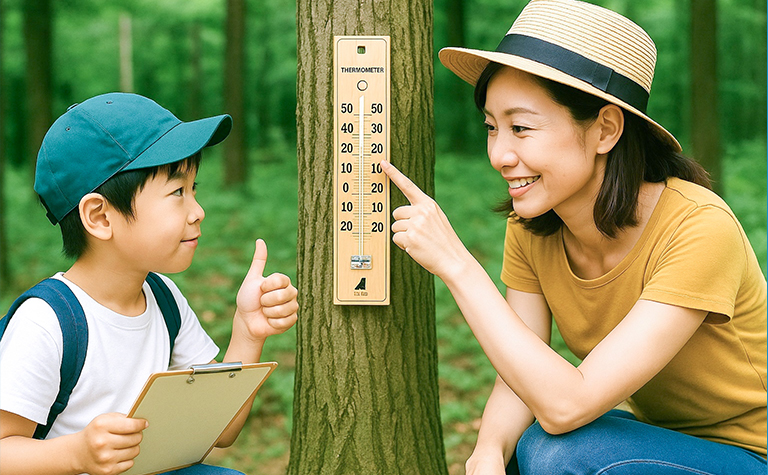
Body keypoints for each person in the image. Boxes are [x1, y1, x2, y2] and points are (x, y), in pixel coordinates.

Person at [380, 0, 767, 473]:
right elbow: (521, 368)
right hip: (654, 443)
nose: (500, 153)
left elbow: (567, 406)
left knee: (564, 451)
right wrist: (487, 451)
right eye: (491, 128)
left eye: (521, 128)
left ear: (605, 129)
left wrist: (458, 267)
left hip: (752, 453)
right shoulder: (533, 229)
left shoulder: (699, 228)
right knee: (524, 449)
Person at [0, 92, 299, 475]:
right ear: (100, 217)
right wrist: (76, 455)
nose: (197, 211)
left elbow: (220, 432)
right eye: (177, 192)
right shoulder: (48, 322)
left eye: (195, 189)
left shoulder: (163, 297)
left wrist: (248, 331)